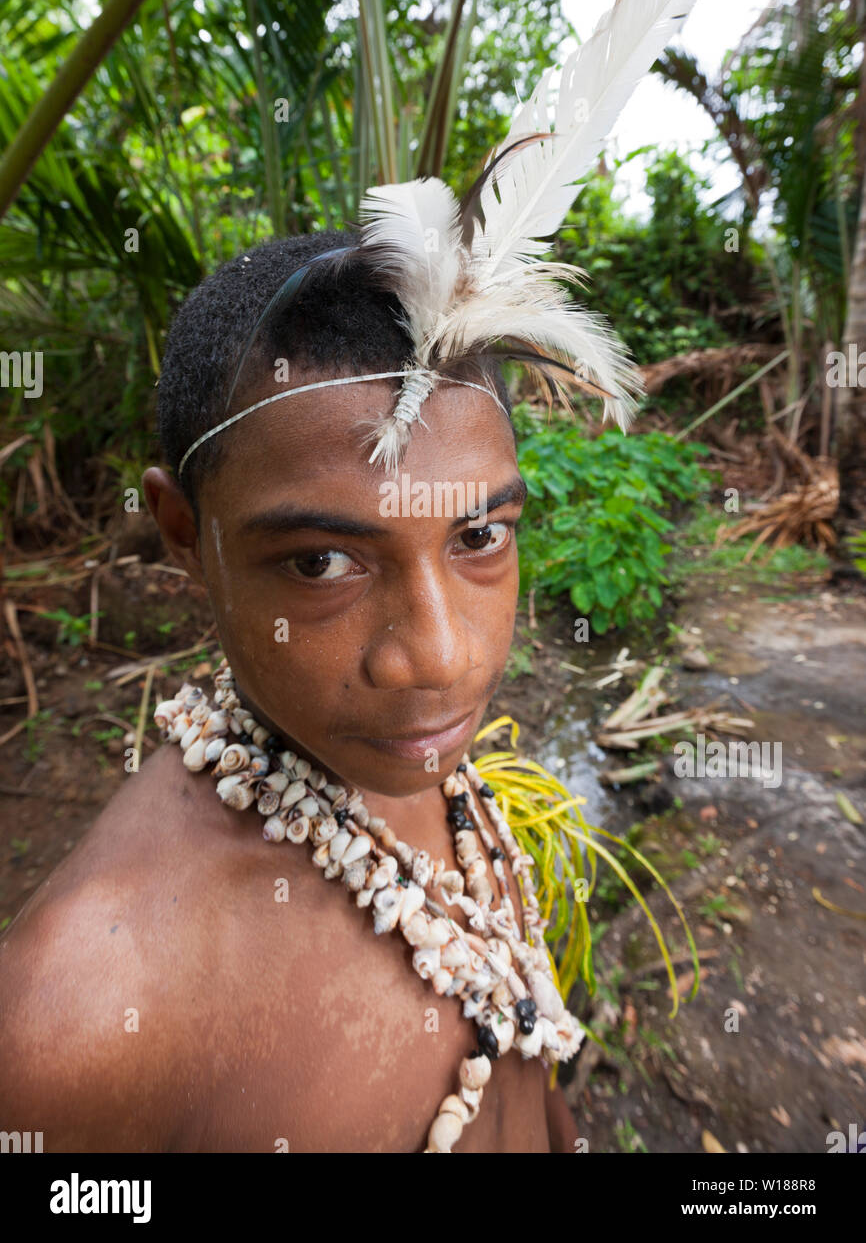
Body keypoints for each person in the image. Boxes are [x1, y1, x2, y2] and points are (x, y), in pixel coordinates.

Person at [0, 231, 581, 1152]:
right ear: (185, 533)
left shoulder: (426, 777)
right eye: (321, 561)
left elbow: (523, 1045)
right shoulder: (77, 1028)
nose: (437, 659)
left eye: (478, 538)